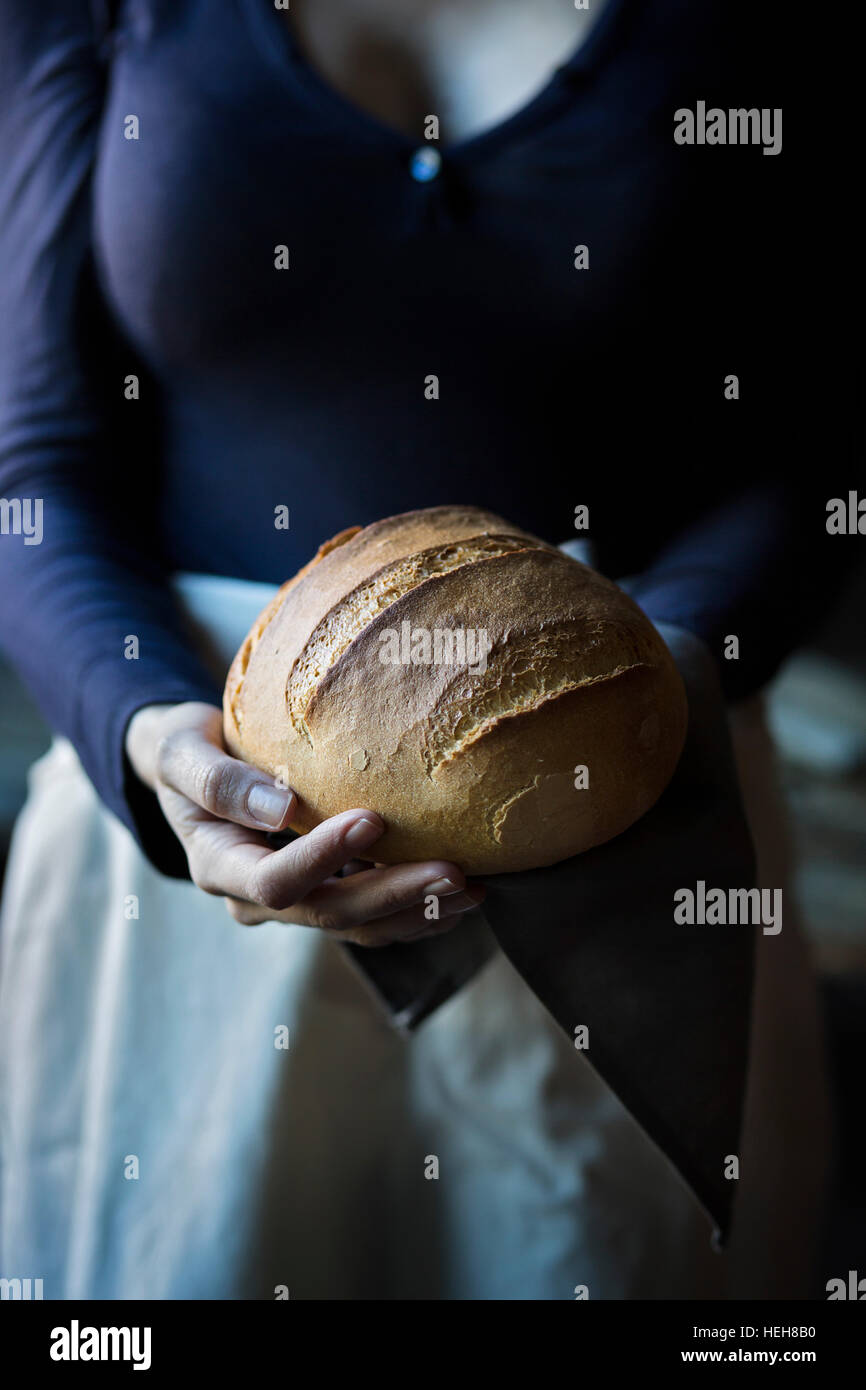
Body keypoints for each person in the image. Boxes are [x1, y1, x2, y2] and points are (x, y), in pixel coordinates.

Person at [0, 0, 842, 1299]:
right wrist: (145, 733)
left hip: (639, 836)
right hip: (183, 836)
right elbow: (36, 466)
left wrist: (659, 664)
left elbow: (805, 447)